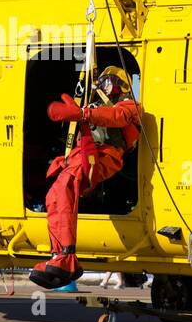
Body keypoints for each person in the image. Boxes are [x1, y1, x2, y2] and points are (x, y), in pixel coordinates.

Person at [31, 65, 142, 290]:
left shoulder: (131, 107)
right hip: (85, 154)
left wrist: (84, 114)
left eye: (108, 82)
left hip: (105, 155)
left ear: (122, 86)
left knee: (65, 188)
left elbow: (116, 117)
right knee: (55, 195)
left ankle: (66, 257)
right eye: (101, 83)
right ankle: (58, 254)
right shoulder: (94, 109)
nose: (103, 87)